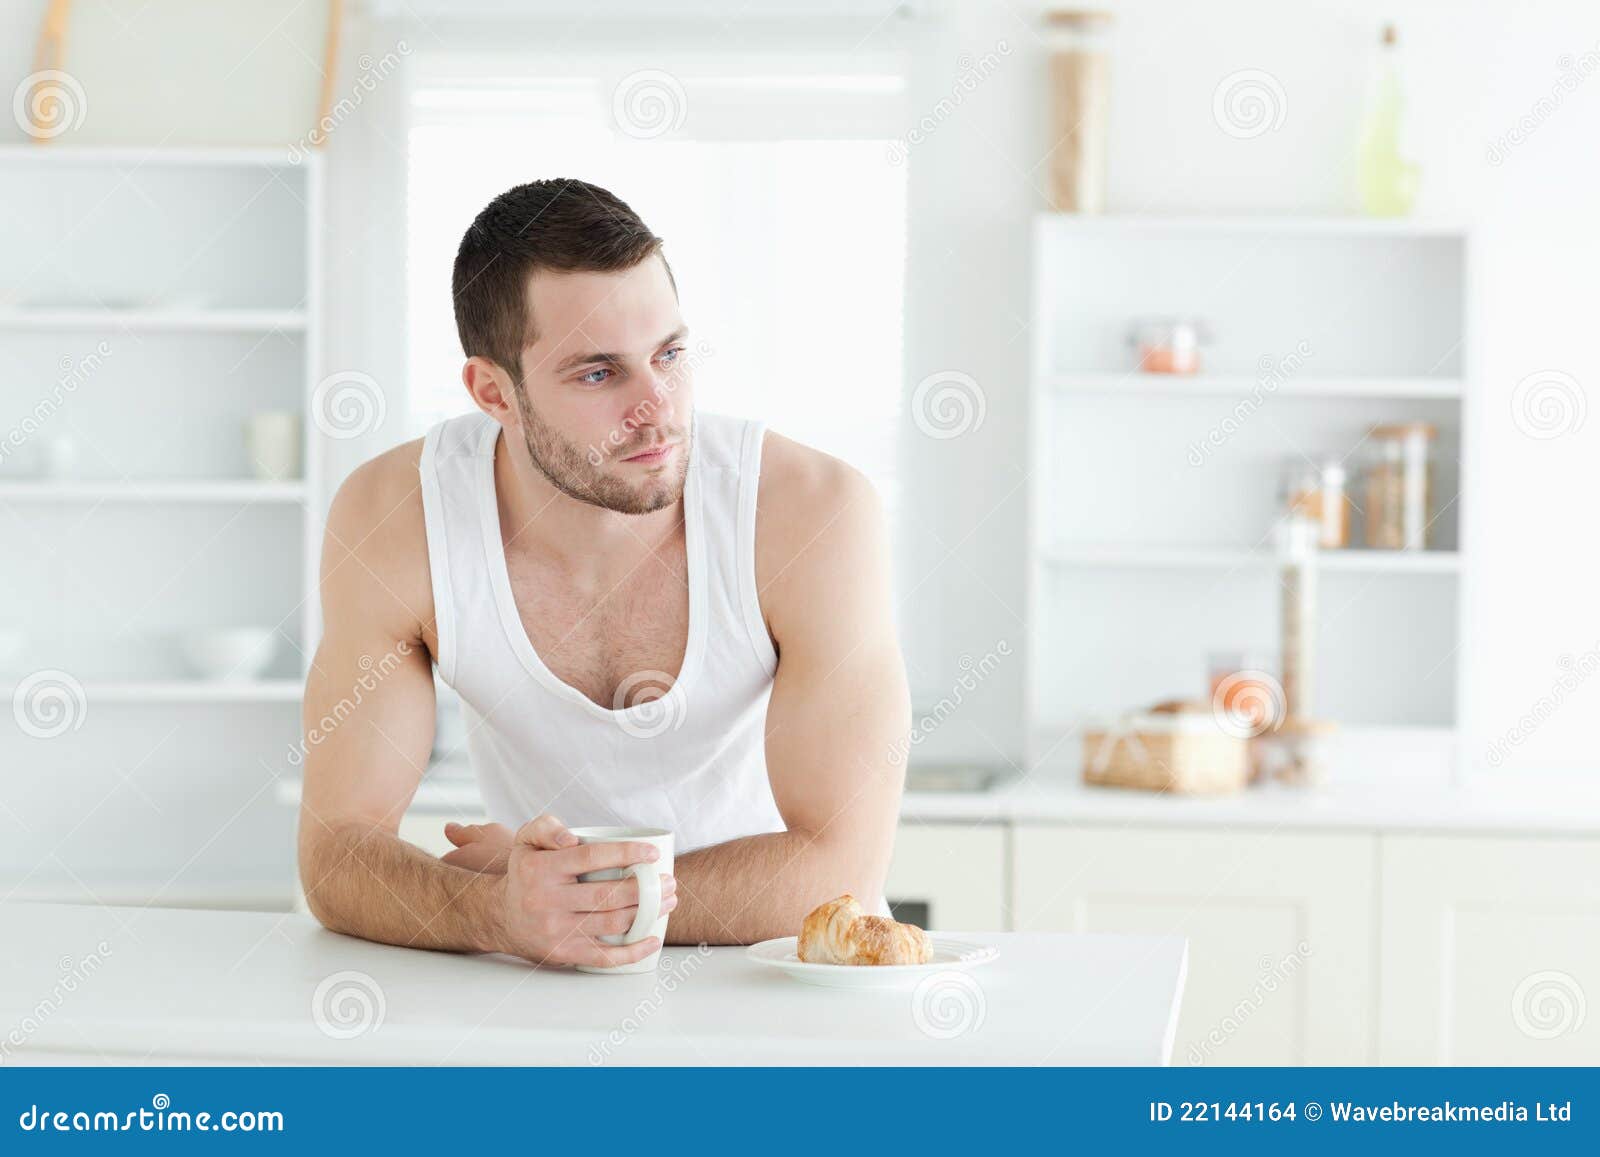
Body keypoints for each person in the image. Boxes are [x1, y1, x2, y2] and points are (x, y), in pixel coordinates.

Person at [297, 178, 911, 969]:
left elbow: (840, 871)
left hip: (784, 981)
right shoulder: (396, 518)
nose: (658, 407)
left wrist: (572, 901)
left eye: (671, 355)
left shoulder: (812, 512)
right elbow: (335, 856)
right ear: (494, 392)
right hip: (548, 983)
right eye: (598, 373)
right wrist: (499, 910)